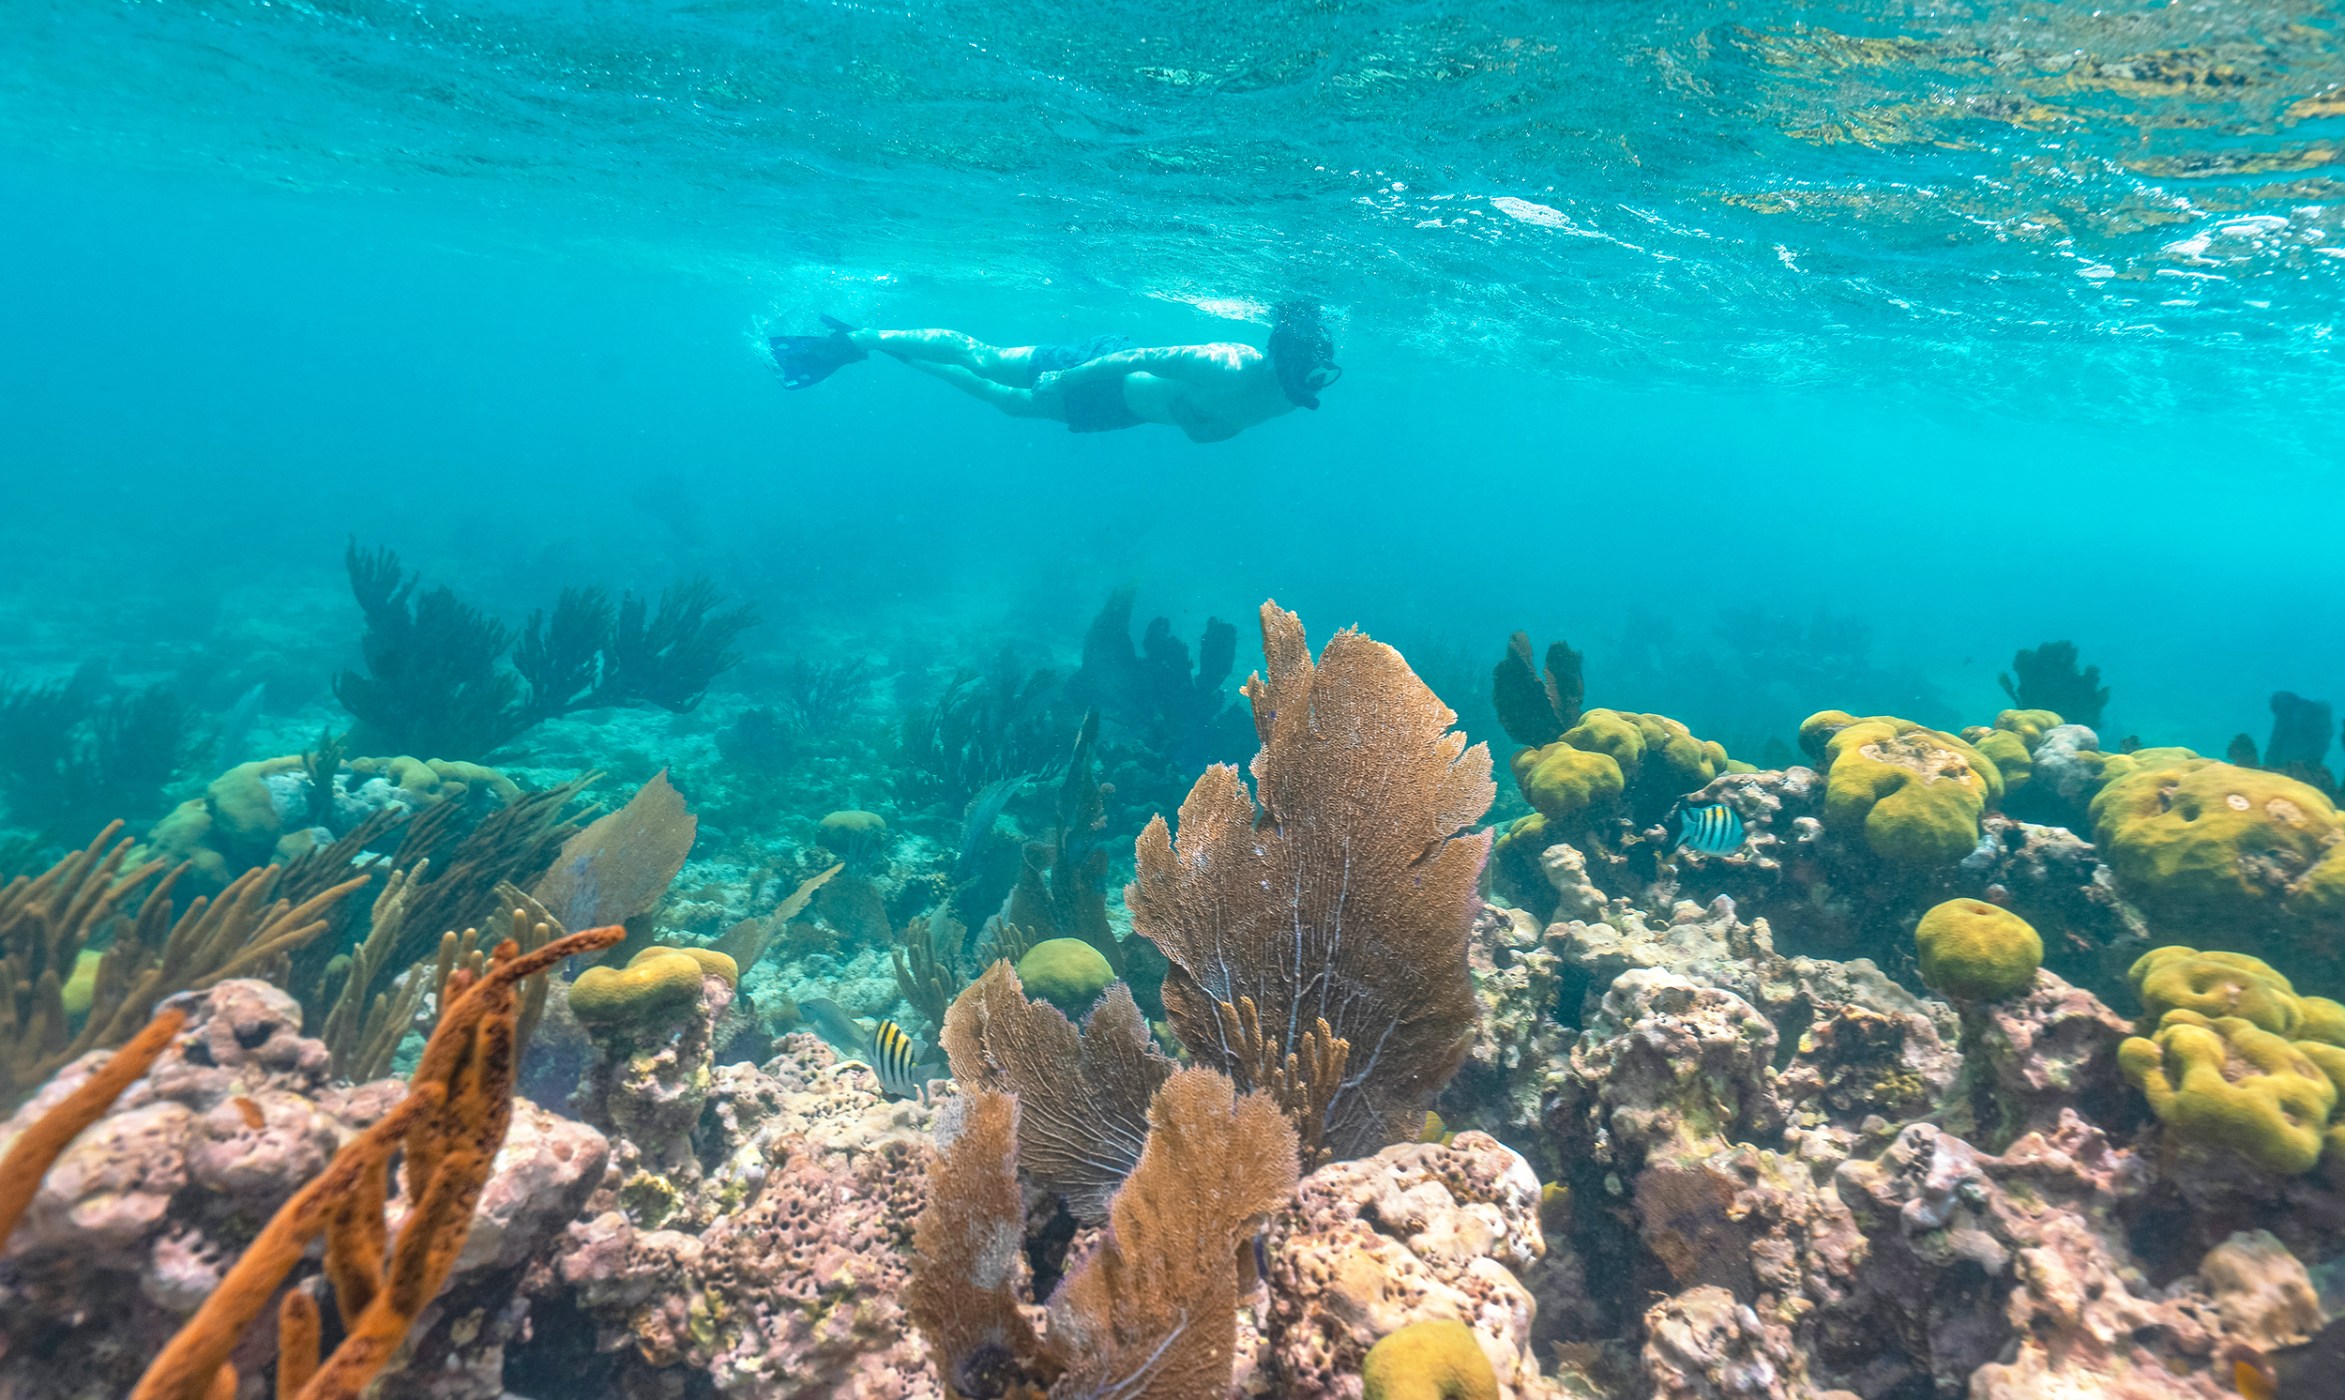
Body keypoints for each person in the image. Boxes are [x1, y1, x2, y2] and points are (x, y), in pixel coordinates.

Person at [770, 301, 1341, 443]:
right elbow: (1136, 357)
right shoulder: (1228, 362)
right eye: (1306, 370)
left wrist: (1199, 431)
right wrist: (1067, 379)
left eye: (1317, 374)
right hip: (1100, 376)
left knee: (1008, 404)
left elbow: (1224, 427)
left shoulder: (1295, 394)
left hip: (1123, 413)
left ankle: (899, 354)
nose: (1312, 384)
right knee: (991, 360)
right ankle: (856, 339)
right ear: (1281, 354)